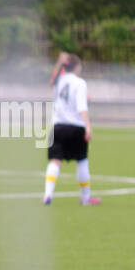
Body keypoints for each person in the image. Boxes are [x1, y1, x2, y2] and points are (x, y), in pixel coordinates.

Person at [44, 52, 99, 206]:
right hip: (76, 127)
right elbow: (82, 106)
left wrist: (58, 62)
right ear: (76, 67)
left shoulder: (59, 80)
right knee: (82, 161)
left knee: (55, 161)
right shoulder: (80, 82)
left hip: (58, 126)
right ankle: (85, 198)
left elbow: (51, 82)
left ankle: (47, 194)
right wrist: (88, 125)